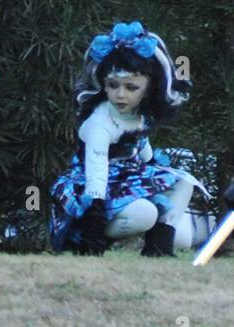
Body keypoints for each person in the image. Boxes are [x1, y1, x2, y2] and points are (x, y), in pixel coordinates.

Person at [49, 21, 199, 257]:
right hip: (97, 187)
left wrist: (153, 167)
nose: (120, 94)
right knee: (145, 213)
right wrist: (93, 220)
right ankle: (90, 241)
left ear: (149, 88)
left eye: (131, 87)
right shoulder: (100, 124)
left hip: (128, 178)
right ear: (103, 84)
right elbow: (96, 173)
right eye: (113, 85)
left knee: (185, 181)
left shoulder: (139, 114)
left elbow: (141, 145)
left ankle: (158, 246)